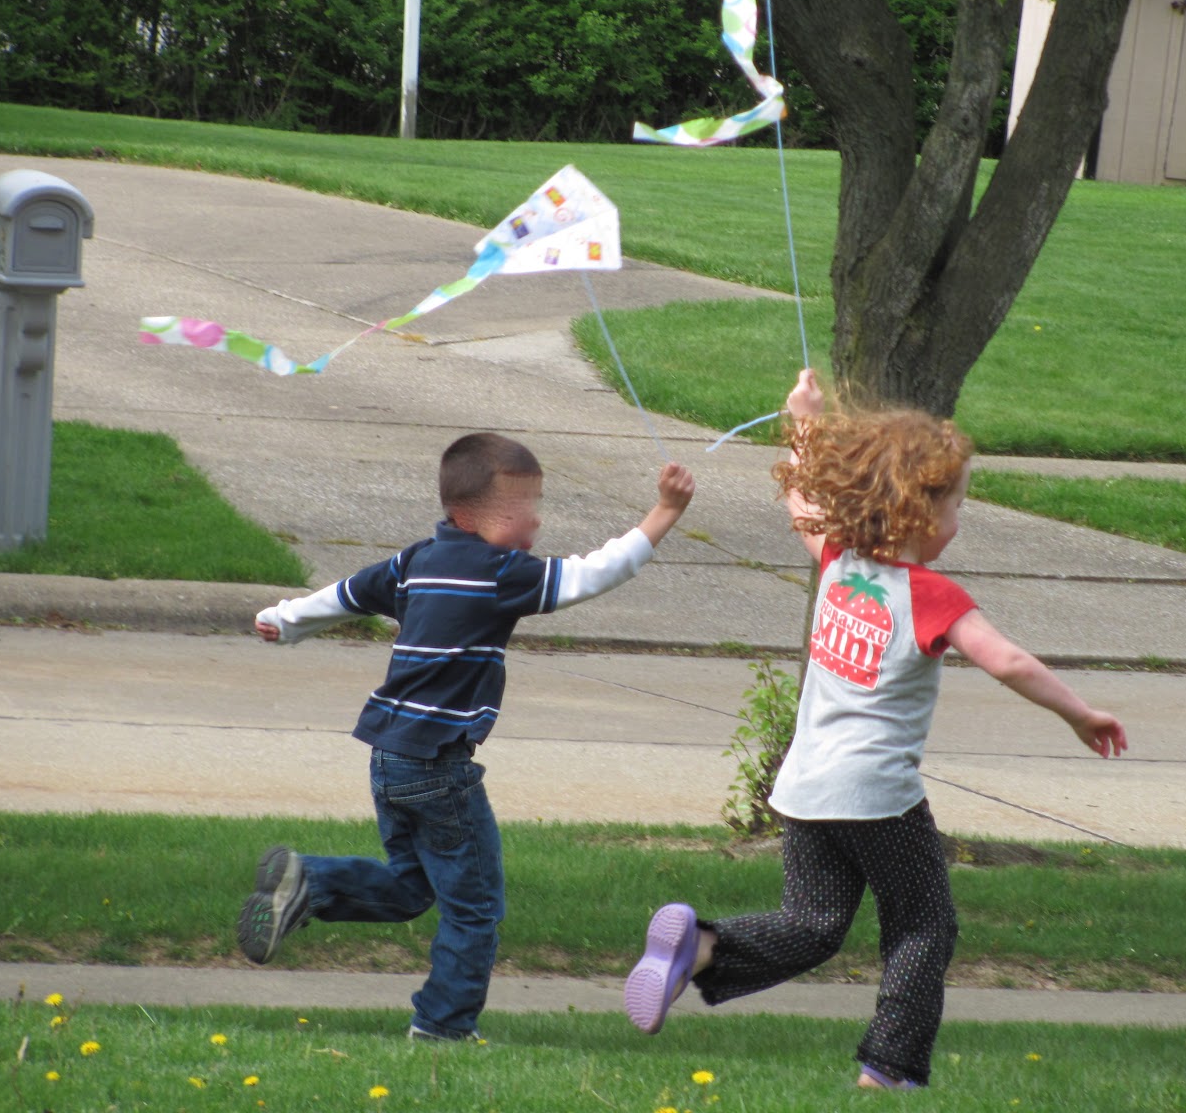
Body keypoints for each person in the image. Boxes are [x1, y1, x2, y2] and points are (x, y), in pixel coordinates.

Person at [623, 369, 1126, 1089]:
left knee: (815, 925)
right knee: (924, 925)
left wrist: (802, 422)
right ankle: (888, 1069)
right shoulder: (933, 596)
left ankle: (701, 946)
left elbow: (800, 498)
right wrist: (1080, 713)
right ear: (920, 514)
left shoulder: (836, 561)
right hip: (878, 794)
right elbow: (1007, 661)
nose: (959, 518)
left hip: (804, 785)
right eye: (956, 504)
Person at [238, 431, 695, 1043]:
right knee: (474, 909)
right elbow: (593, 574)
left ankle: (309, 882)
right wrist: (664, 511)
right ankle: (443, 1026)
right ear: (474, 516)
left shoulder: (416, 561)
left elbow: (345, 595)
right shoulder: (498, 573)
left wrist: (282, 619)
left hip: (388, 757)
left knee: (411, 888)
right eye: (523, 509)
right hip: (438, 767)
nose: (535, 520)